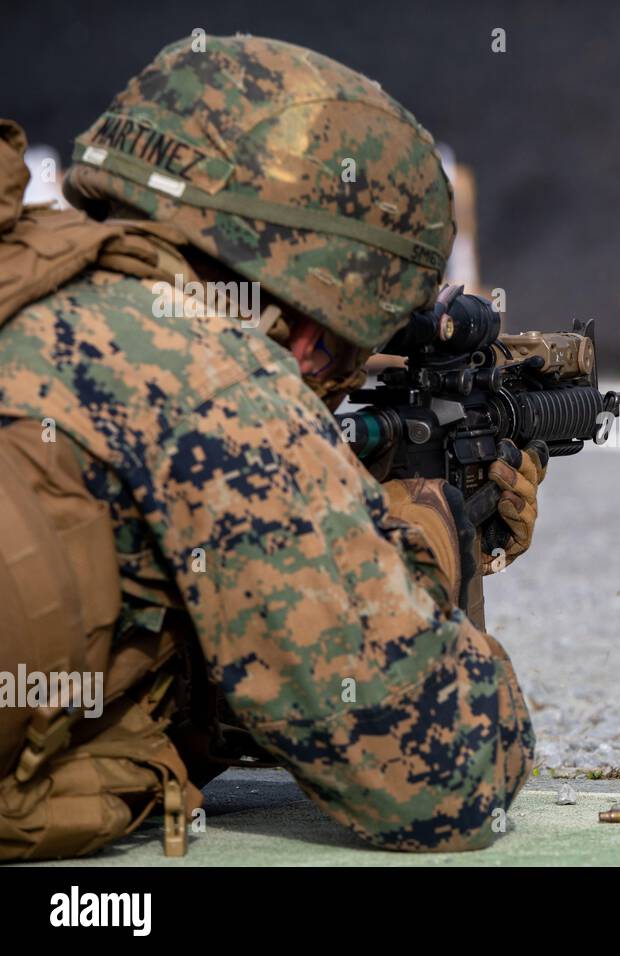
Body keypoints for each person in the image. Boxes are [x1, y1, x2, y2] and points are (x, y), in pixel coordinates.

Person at [0, 34, 541, 859]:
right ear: (299, 309)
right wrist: (424, 532)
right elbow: (447, 771)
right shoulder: (207, 370)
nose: (322, 380)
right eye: (337, 352)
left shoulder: (37, 292)